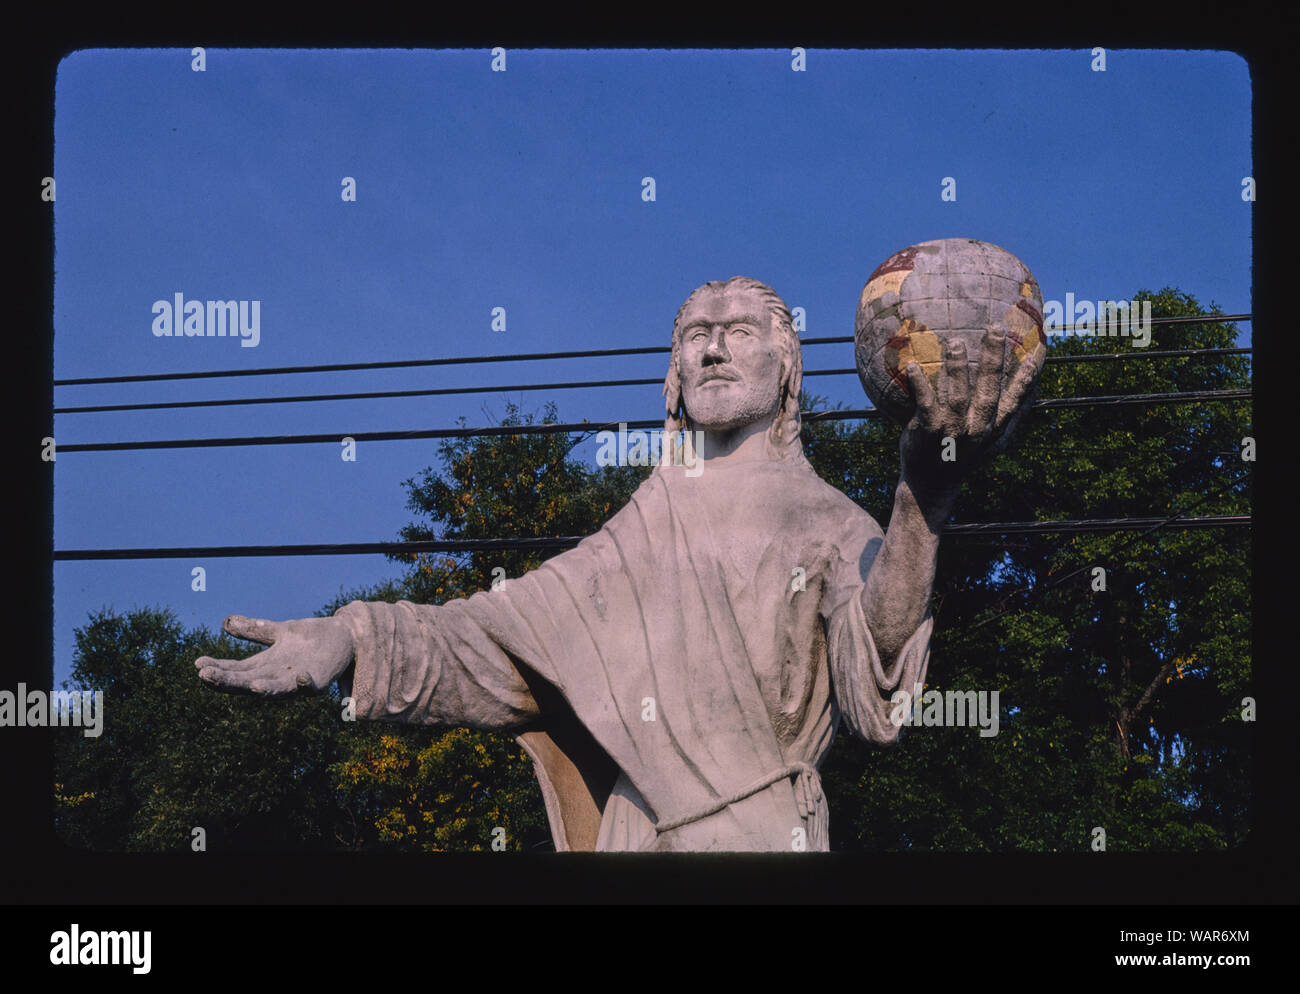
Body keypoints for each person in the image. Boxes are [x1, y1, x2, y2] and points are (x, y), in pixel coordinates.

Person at [196, 276, 1040, 851]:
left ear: (788, 367)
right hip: (637, 837)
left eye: (737, 334)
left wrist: (922, 503)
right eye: (696, 338)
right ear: (672, 374)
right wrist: (350, 640)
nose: (712, 351)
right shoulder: (642, 528)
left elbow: (878, 671)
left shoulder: (832, 522)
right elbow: (486, 645)